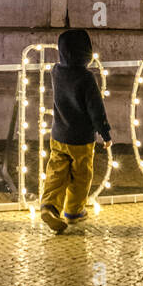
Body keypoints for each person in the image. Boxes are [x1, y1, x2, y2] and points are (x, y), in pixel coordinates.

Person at [40, 28, 112, 234]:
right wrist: (105, 133)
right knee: (81, 175)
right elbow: (96, 109)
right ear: (86, 52)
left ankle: (49, 206)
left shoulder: (56, 71)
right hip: (81, 139)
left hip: (58, 134)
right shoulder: (86, 78)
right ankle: (73, 211)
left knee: (56, 171)